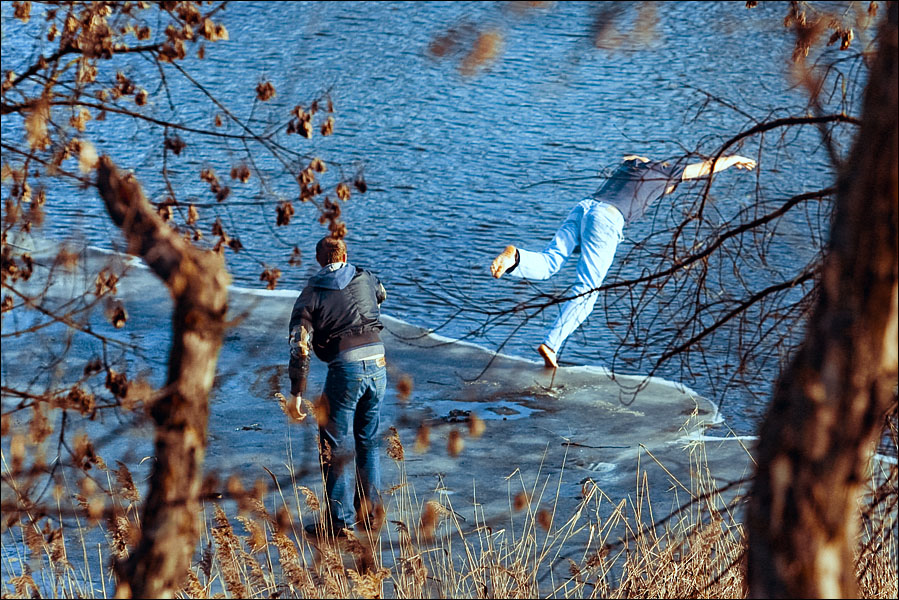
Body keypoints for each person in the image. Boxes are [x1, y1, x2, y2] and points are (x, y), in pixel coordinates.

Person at [490, 153, 757, 369]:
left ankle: (516, 258)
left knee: (550, 263)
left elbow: (630, 156)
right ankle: (551, 344)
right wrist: (733, 159)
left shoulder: (635, 165)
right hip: (606, 218)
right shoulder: (667, 173)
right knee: (588, 288)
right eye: (671, 189)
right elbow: (706, 167)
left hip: (584, 207)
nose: (667, 192)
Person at [287, 235, 388, 538]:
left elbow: (299, 345)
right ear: (345, 257)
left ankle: (338, 523)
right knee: (367, 440)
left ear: (319, 260)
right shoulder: (366, 277)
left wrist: (297, 393)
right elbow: (381, 294)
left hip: (346, 367)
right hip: (379, 364)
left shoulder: (312, 293)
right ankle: (369, 517)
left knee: (333, 444)